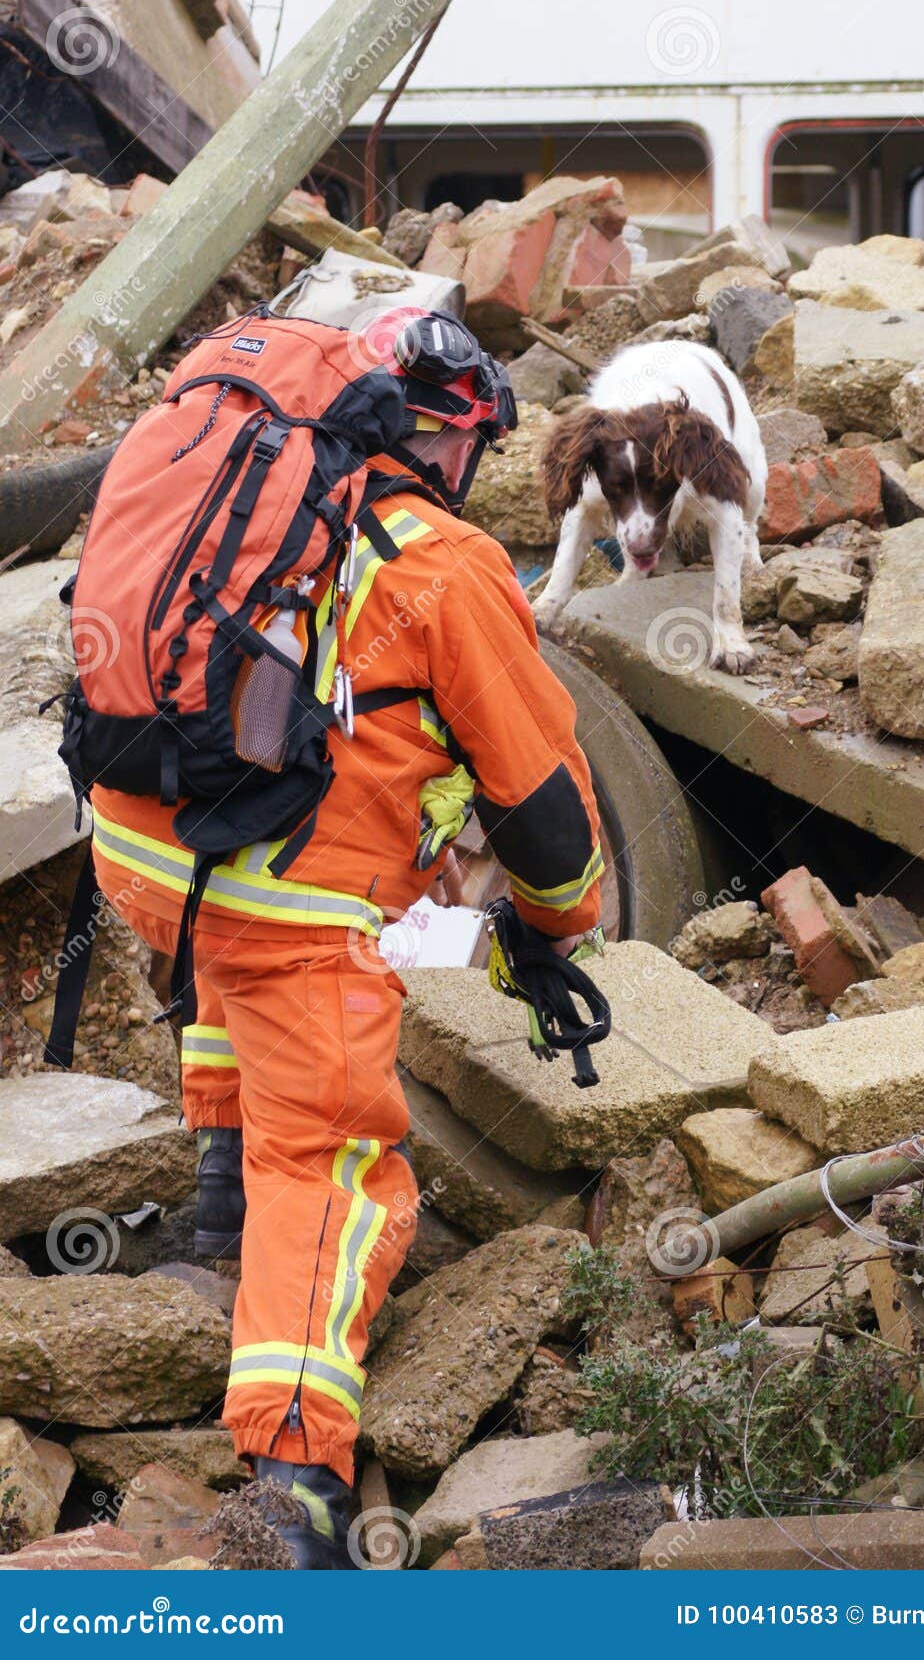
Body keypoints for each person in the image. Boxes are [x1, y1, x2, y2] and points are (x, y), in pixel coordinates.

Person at [89, 307, 603, 1568]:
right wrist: (555, 924)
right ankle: (294, 1482)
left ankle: (217, 1214)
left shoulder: (243, 487)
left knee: (230, 970)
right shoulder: (443, 561)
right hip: (281, 901)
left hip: (140, 850)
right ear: (456, 442)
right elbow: (542, 812)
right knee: (328, 1165)